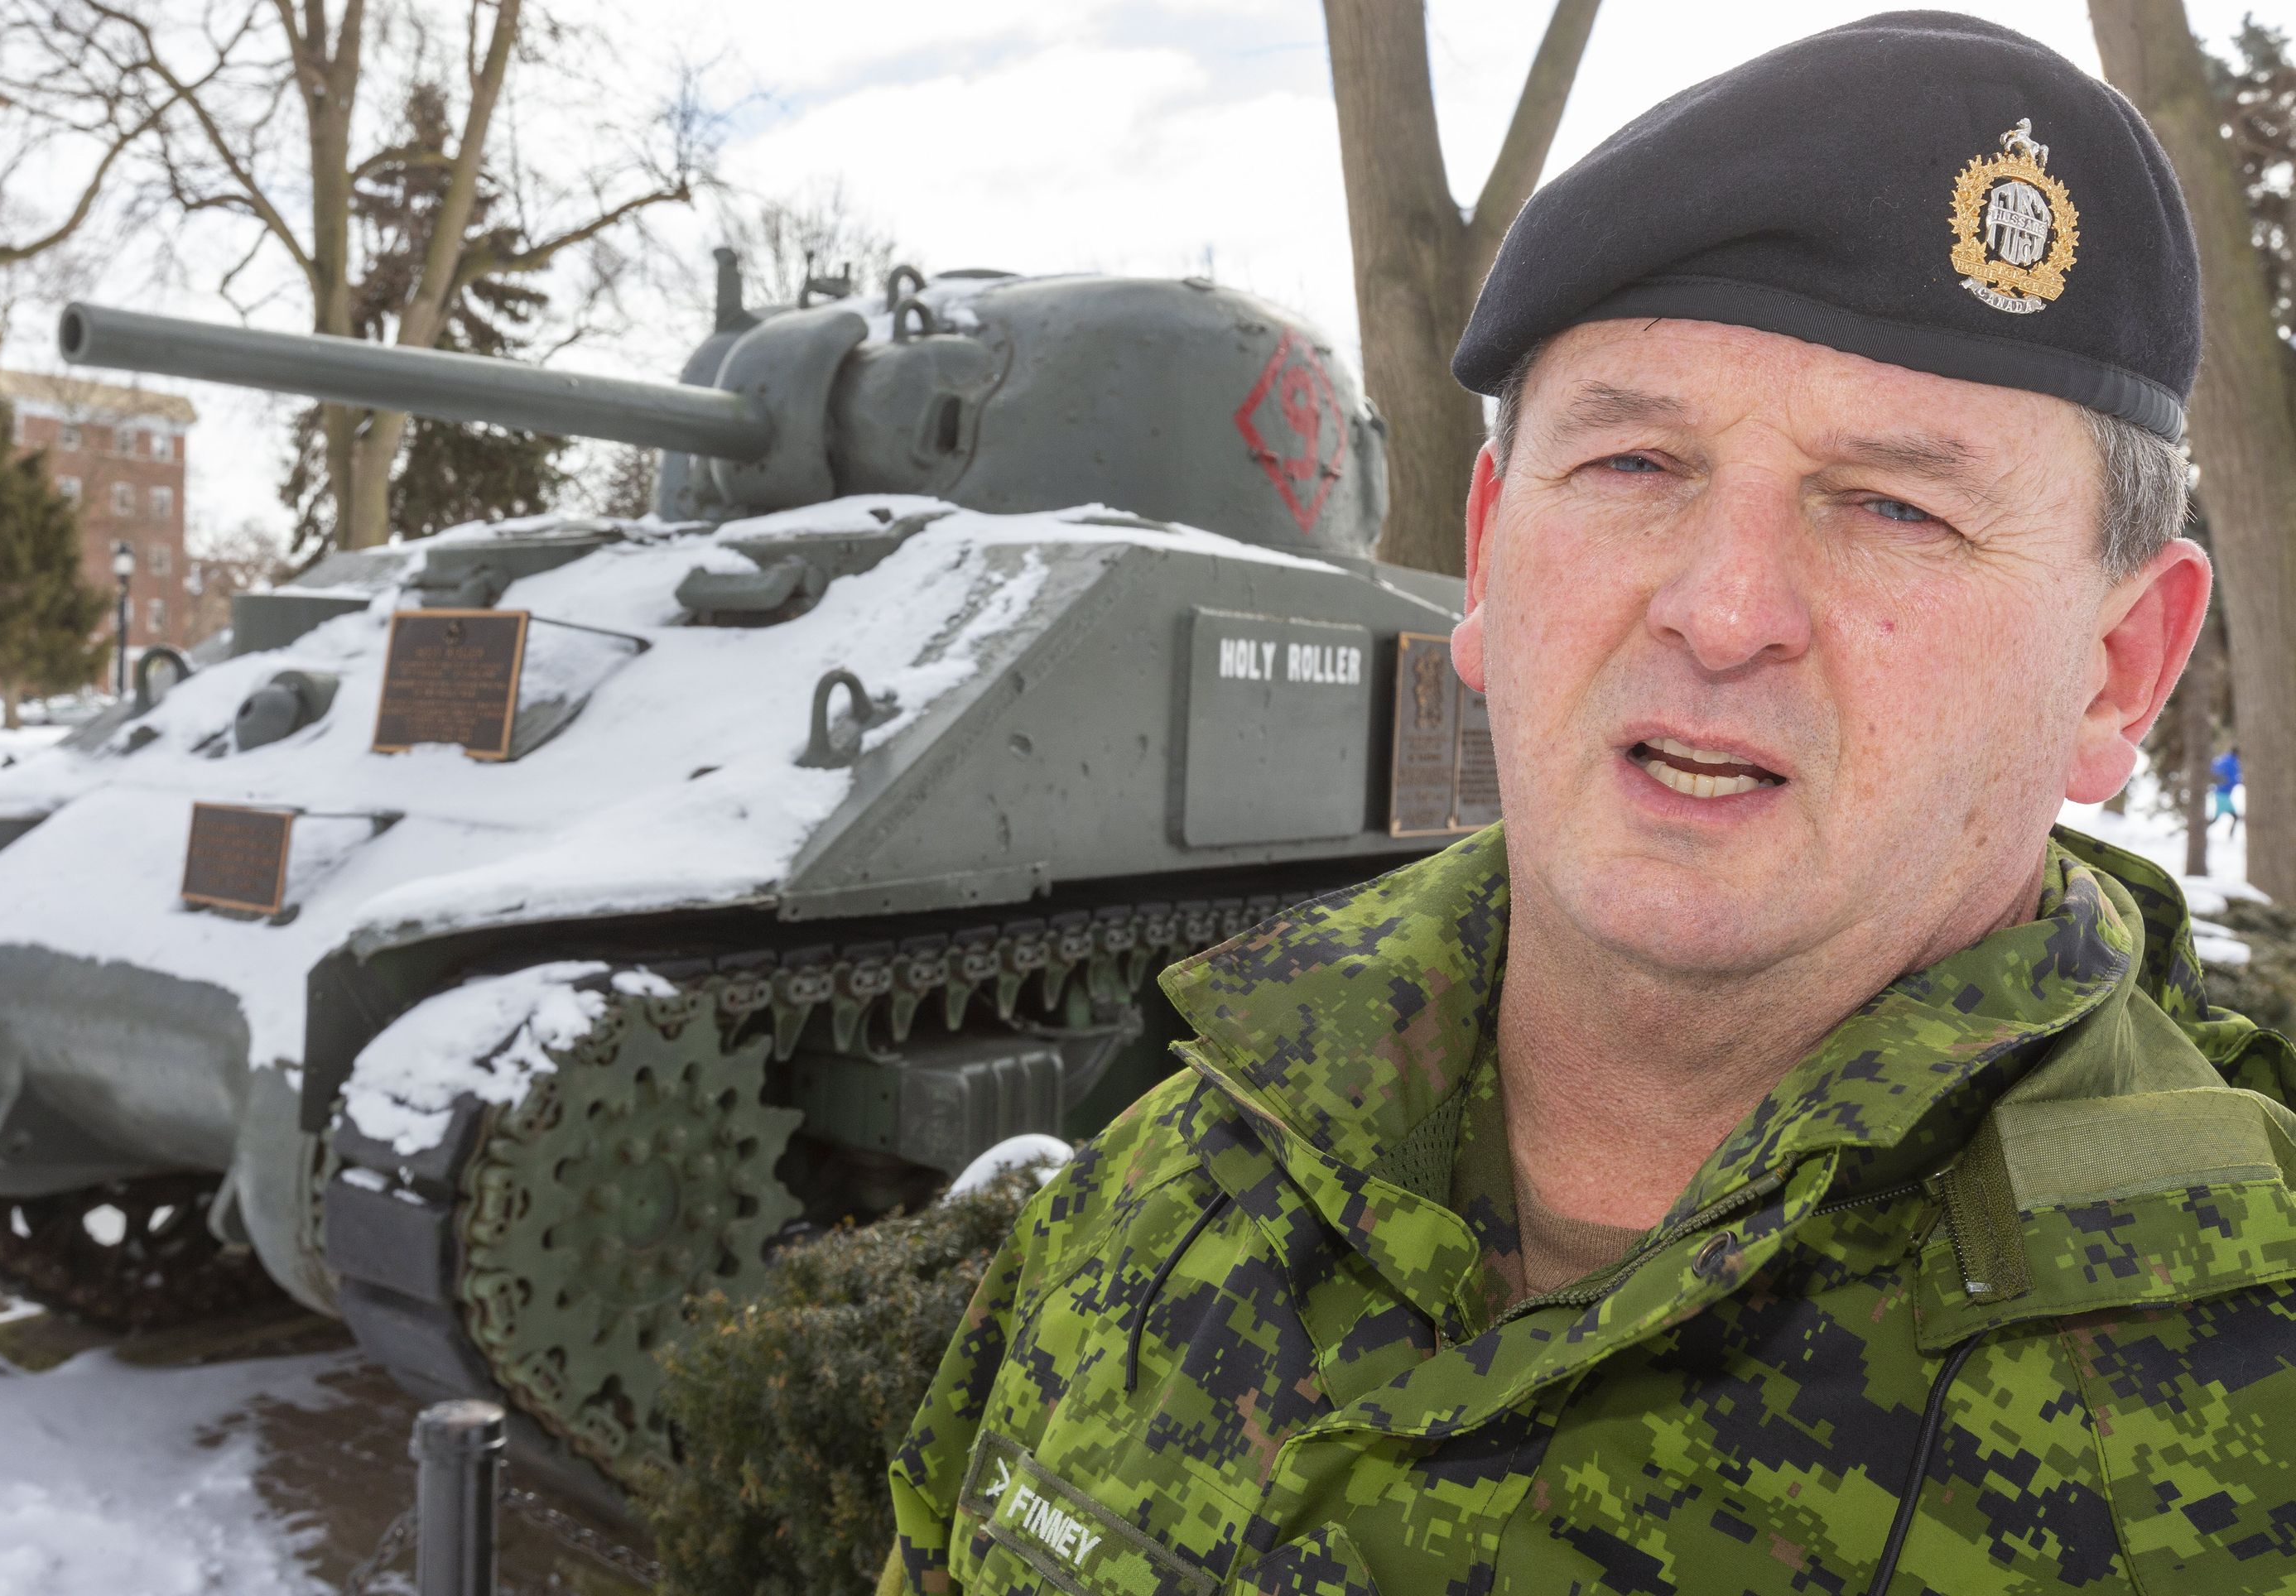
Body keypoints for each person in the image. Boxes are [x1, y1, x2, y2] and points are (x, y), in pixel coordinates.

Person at [886, 13, 2296, 1596]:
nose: (1721, 607)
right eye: (1634, 463)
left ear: (2119, 667)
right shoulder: (1159, 1193)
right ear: (1486, 554)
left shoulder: (2249, 1402)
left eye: (1896, 504)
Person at [2215, 744, 2242, 834]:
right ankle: (2195, 830)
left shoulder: (2225, 759)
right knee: (2233, 817)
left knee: (2217, 818)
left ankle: (2195, 829)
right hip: (2223, 794)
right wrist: (2241, 782)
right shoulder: (2232, 763)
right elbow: (2232, 779)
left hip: (2221, 793)